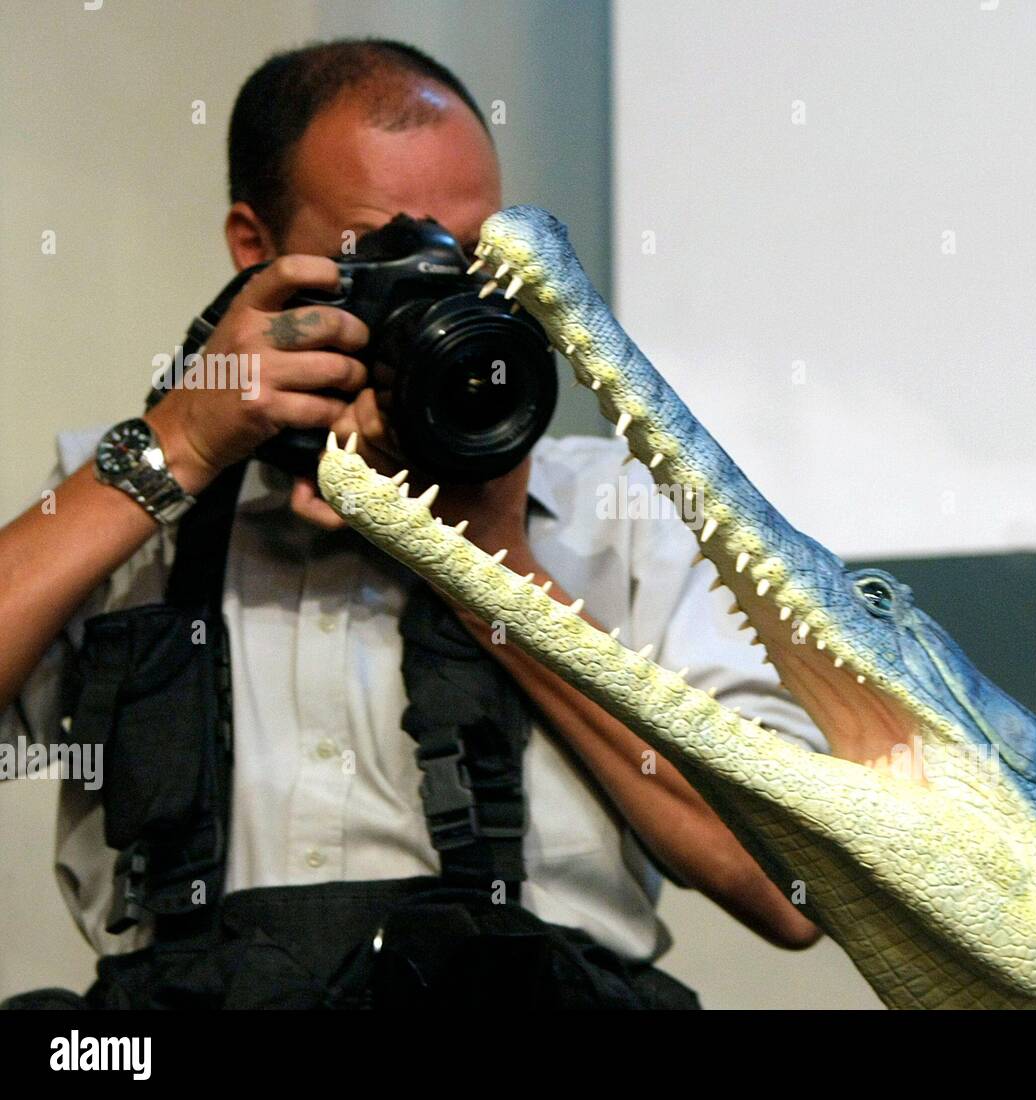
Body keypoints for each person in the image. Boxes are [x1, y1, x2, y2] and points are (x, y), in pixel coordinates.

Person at [0, 38, 824, 1010]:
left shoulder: (614, 514)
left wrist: (485, 558)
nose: (445, 295)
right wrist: (178, 441)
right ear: (255, 245)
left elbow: (790, 891)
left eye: (473, 258)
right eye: (390, 254)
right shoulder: (130, 497)